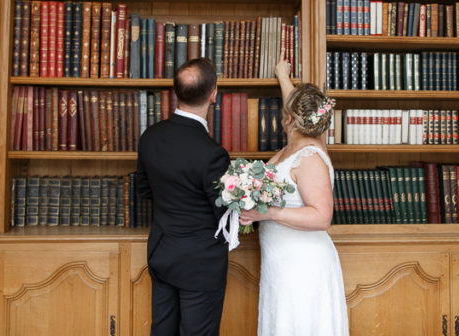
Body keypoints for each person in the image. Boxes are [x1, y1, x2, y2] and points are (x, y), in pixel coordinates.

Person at [239, 59, 349, 336]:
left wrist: (269, 213)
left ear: (289, 118)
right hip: (283, 261)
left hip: (303, 265)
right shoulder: (296, 146)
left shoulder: (310, 156)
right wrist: (282, 75)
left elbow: (322, 216)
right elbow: (298, 106)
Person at [136, 58, 230, 336]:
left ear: (176, 92)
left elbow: (144, 189)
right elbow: (223, 212)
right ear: (213, 94)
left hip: (162, 251)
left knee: (162, 330)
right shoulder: (212, 153)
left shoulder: (150, 137)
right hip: (200, 263)